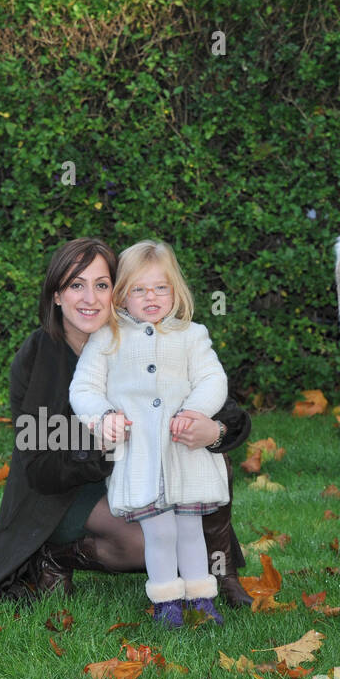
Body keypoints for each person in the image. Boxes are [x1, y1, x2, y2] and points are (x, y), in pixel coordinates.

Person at [0, 237, 252, 605]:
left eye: (101, 285)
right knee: (148, 542)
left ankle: (223, 575)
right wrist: (100, 443)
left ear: (119, 291)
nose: (90, 299)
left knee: (208, 454)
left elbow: (226, 409)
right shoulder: (39, 356)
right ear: (56, 296)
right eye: (75, 285)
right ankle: (54, 557)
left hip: (136, 470)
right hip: (63, 492)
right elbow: (40, 462)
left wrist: (214, 431)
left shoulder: (147, 335)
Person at [69, 240, 229, 626]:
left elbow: (212, 379)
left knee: (191, 530)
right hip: (139, 456)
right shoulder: (108, 337)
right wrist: (103, 416)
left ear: (176, 291)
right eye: (139, 289)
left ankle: (201, 599)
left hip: (184, 454)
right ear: (122, 296)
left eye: (161, 287)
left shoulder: (192, 335)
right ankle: (166, 601)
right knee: (159, 532)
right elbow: (83, 389)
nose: (151, 297)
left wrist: (196, 411)